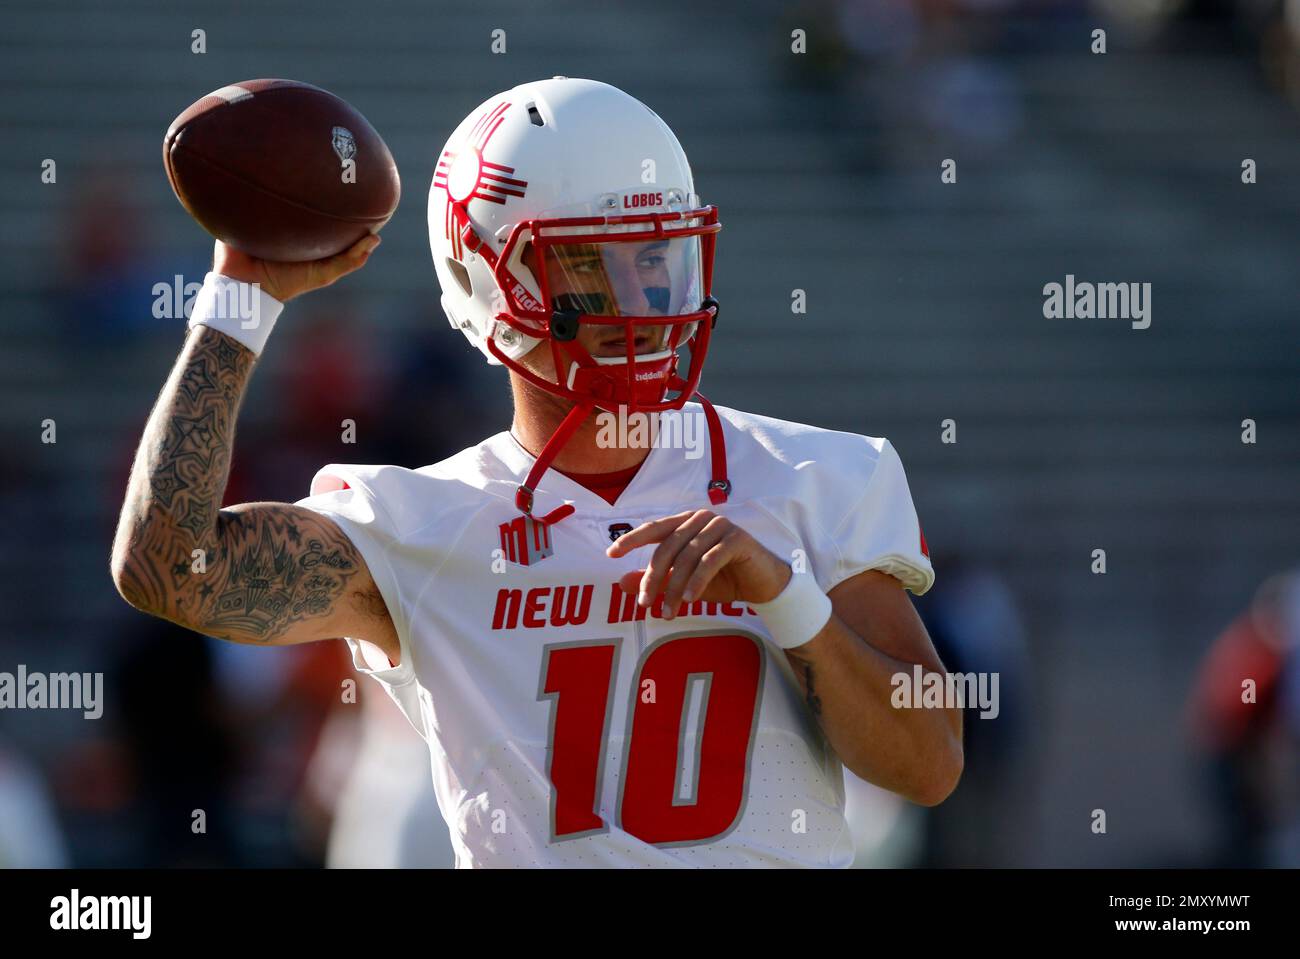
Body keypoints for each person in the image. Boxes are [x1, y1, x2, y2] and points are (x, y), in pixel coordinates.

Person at [111, 77, 961, 867]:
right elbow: (165, 568)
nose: (640, 299)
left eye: (655, 255)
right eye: (590, 264)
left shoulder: (816, 474)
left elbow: (928, 764)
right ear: (488, 283)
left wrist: (787, 595)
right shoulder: (421, 525)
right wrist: (241, 301)